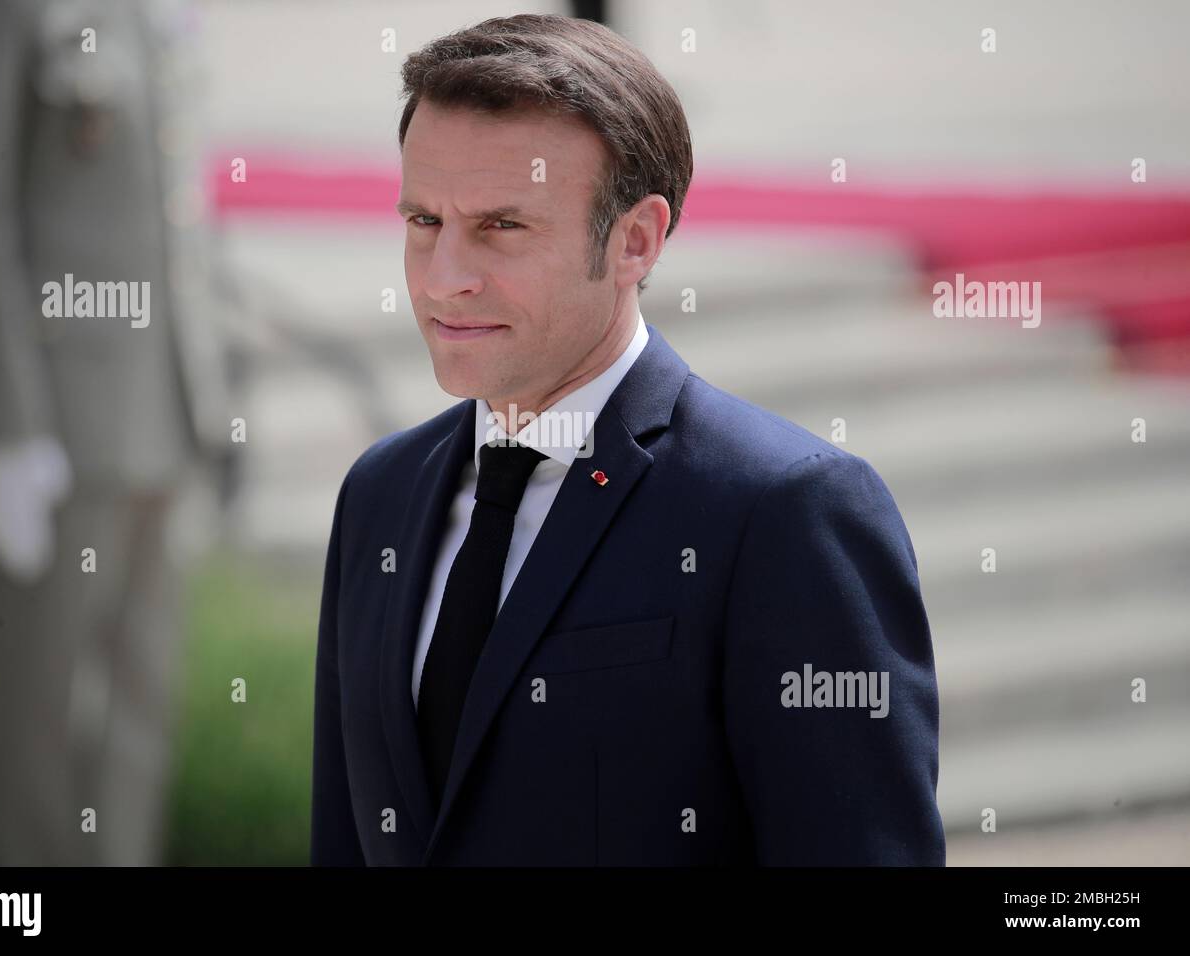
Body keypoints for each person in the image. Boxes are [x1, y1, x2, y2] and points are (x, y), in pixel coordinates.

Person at [311, 13, 944, 866]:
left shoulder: (784, 509)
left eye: (501, 226)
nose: (444, 277)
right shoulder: (379, 494)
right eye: (424, 221)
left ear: (634, 241)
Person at [0, 0, 228, 865]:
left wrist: (206, 396)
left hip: (158, 410)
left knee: (134, 719)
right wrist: (0, 423)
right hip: (54, 428)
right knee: (30, 725)